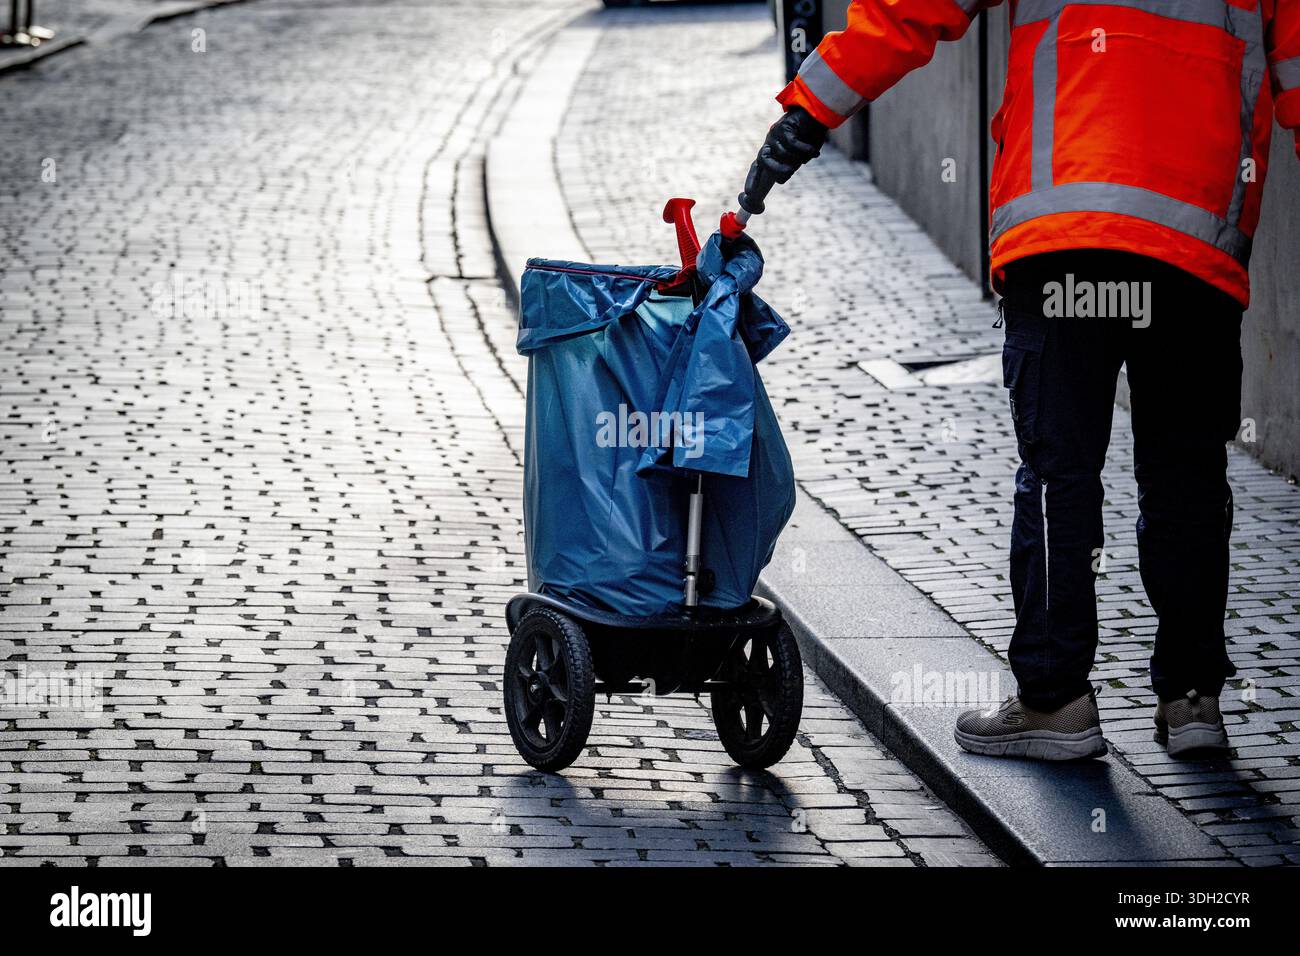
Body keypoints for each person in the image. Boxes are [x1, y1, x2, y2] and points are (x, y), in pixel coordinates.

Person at [744, 0, 1300, 759]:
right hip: (1194, 238)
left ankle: (1055, 701)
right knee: (1187, 474)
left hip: (1064, 226)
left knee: (1058, 475)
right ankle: (1193, 699)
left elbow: (908, 11)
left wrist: (809, 110)